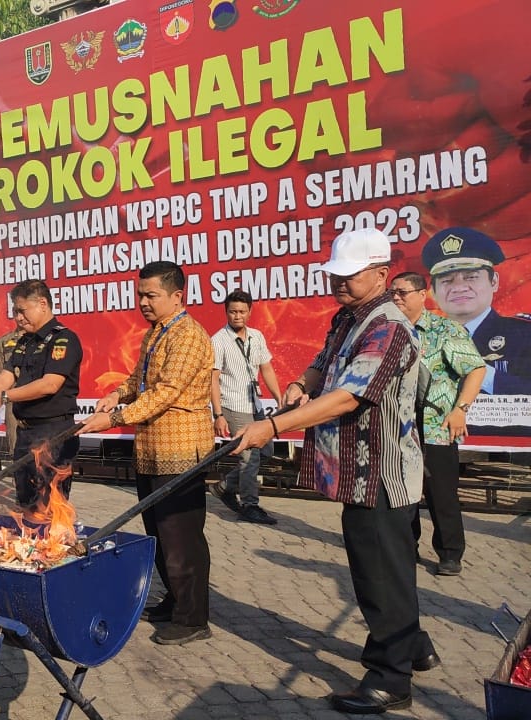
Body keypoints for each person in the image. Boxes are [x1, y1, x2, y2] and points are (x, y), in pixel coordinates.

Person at [234, 228, 437, 714]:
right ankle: (414, 646)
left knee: (380, 577)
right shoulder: (348, 319)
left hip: (382, 476)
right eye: (335, 275)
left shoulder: (387, 326)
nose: (339, 283)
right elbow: (324, 367)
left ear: (382, 275)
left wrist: (273, 426)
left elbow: (348, 396)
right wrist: (302, 382)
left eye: (351, 275)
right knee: (384, 570)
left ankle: (392, 679)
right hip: (355, 472)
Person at [79, 261, 215, 646]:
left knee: (182, 540)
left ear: (177, 296)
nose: (143, 302)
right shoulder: (156, 333)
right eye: (140, 294)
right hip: (153, 451)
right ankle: (175, 601)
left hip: (181, 452)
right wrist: (115, 394)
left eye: (151, 295)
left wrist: (114, 419)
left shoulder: (188, 336)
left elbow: (165, 392)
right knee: (159, 535)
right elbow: (139, 380)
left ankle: (192, 619)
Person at [391, 271, 485, 577]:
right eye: (392, 292)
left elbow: (475, 369)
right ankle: (407, 546)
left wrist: (461, 409)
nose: (395, 298)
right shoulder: (391, 330)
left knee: (441, 494)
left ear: (421, 295)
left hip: (435, 427)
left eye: (402, 292)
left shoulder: (444, 330)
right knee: (402, 491)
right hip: (399, 427)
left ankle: (449, 553)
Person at [0, 279, 82, 509]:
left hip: (53, 434)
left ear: (42, 303)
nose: (18, 318)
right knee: (25, 502)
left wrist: (2, 398)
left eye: (22, 311)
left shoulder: (64, 339)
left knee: (49, 505)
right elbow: (6, 376)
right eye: (15, 312)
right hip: (25, 432)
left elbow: (49, 384)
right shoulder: (24, 342)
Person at [422, 226, 530, 396]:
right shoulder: (421, 341)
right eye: (447, 280)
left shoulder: (524, 334)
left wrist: (479, 373)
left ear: (494, 281)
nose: (458, 287)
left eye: (471, 277)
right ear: (433, 292)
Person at [208, 291, 283, 525]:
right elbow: (213, 379)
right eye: (232, 311)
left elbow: (266, 368)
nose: (237, 316)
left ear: (249, 312)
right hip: (233, 405)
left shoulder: (257, 337)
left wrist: (278, 396)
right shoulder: (218, 340)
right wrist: (218, 414)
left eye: (241, 311)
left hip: (255, 405)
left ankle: (223, 486)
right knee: (249, 458)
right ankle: (250, 505)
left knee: (267, 452)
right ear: (226, 312)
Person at [0, 326, 22, 452]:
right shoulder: (5, 341)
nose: (20, 317)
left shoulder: (44, 338)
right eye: (16, 312)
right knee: (16, 448)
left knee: (42, 452)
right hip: (13, 402)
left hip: (39, 402)